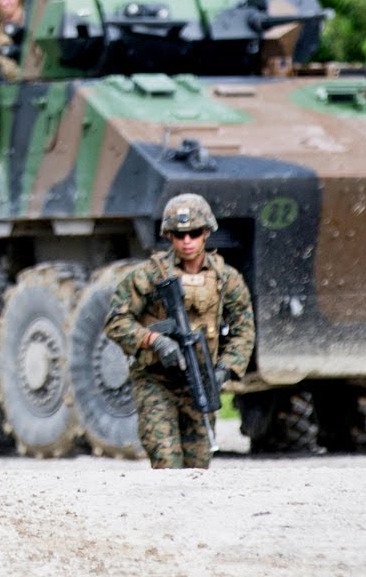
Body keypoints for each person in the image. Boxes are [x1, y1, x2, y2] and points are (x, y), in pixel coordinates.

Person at [105, 193, 255, 469]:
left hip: (199, 380)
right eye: (179, 234)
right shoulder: (150, 275)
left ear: (206, 233)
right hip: (156, 381)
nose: (187, 241)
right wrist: (154, 340)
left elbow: (244, 329)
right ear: (169, 236)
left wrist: (225, 368)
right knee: (166, 461)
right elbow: (116, 321)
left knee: (198, 466)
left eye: (194, 233)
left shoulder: (226, 278)